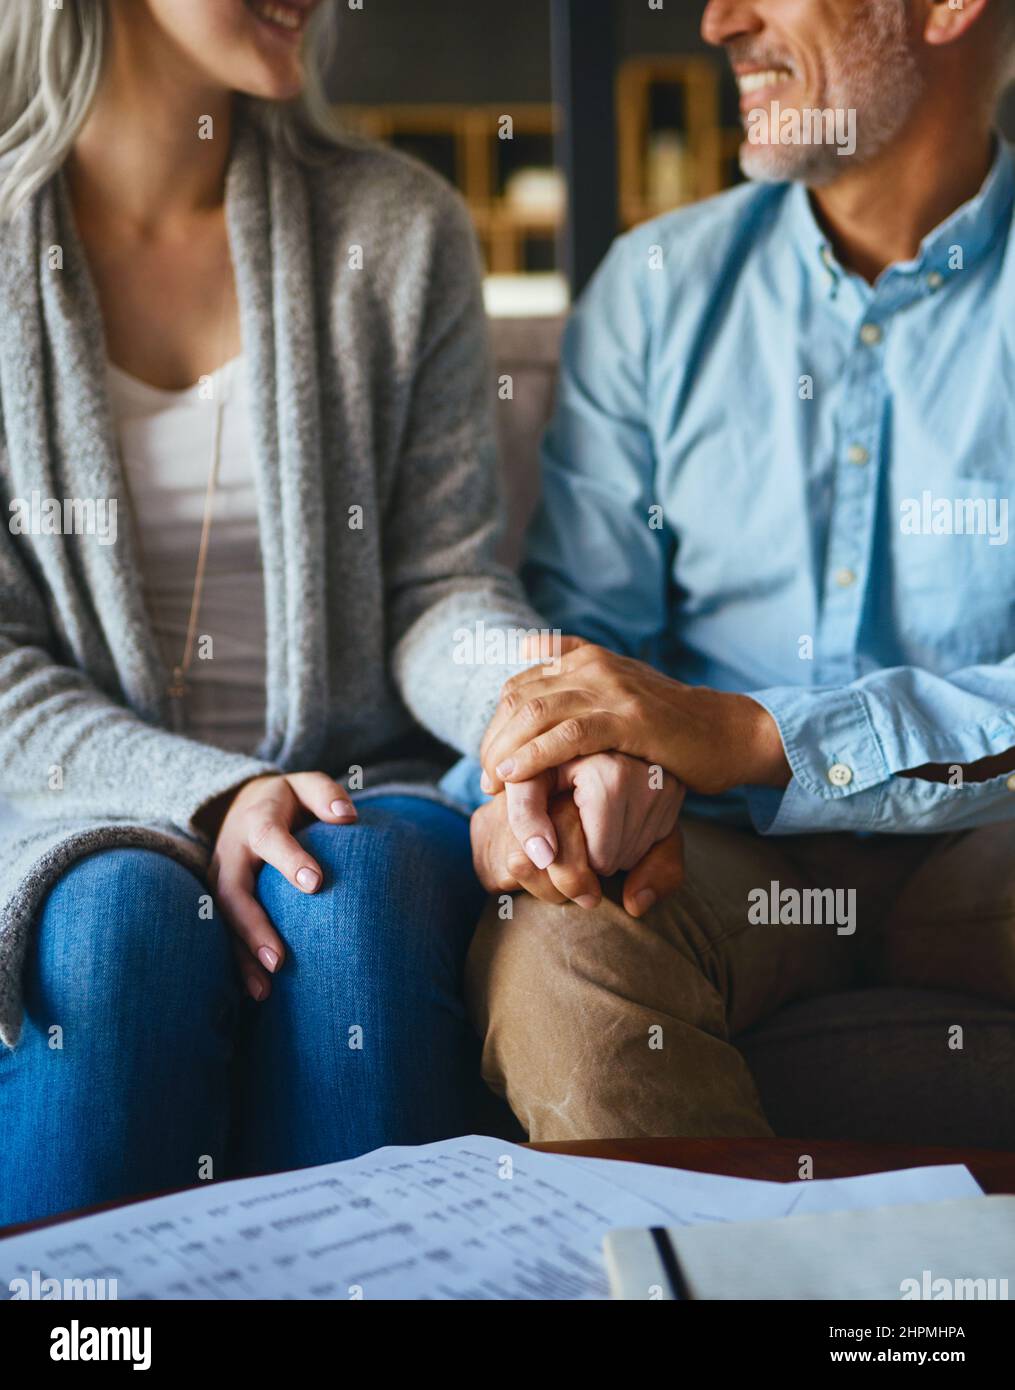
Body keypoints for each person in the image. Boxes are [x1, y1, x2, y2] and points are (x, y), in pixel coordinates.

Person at [0, 0, 682, 1226]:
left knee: (344, 891)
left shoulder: (397, 226)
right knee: (120, 923)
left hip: (363, 786)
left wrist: (543, 707)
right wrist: (211, 795)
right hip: (67, 801)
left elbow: (439, 591)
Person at [466, 0, 1015, 1141]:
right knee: (559, 944)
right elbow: (589, 635)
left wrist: (756, 735)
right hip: (714, 855)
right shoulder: (656, 289)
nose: (717, 20)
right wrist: (573, 778)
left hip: (992, 851)